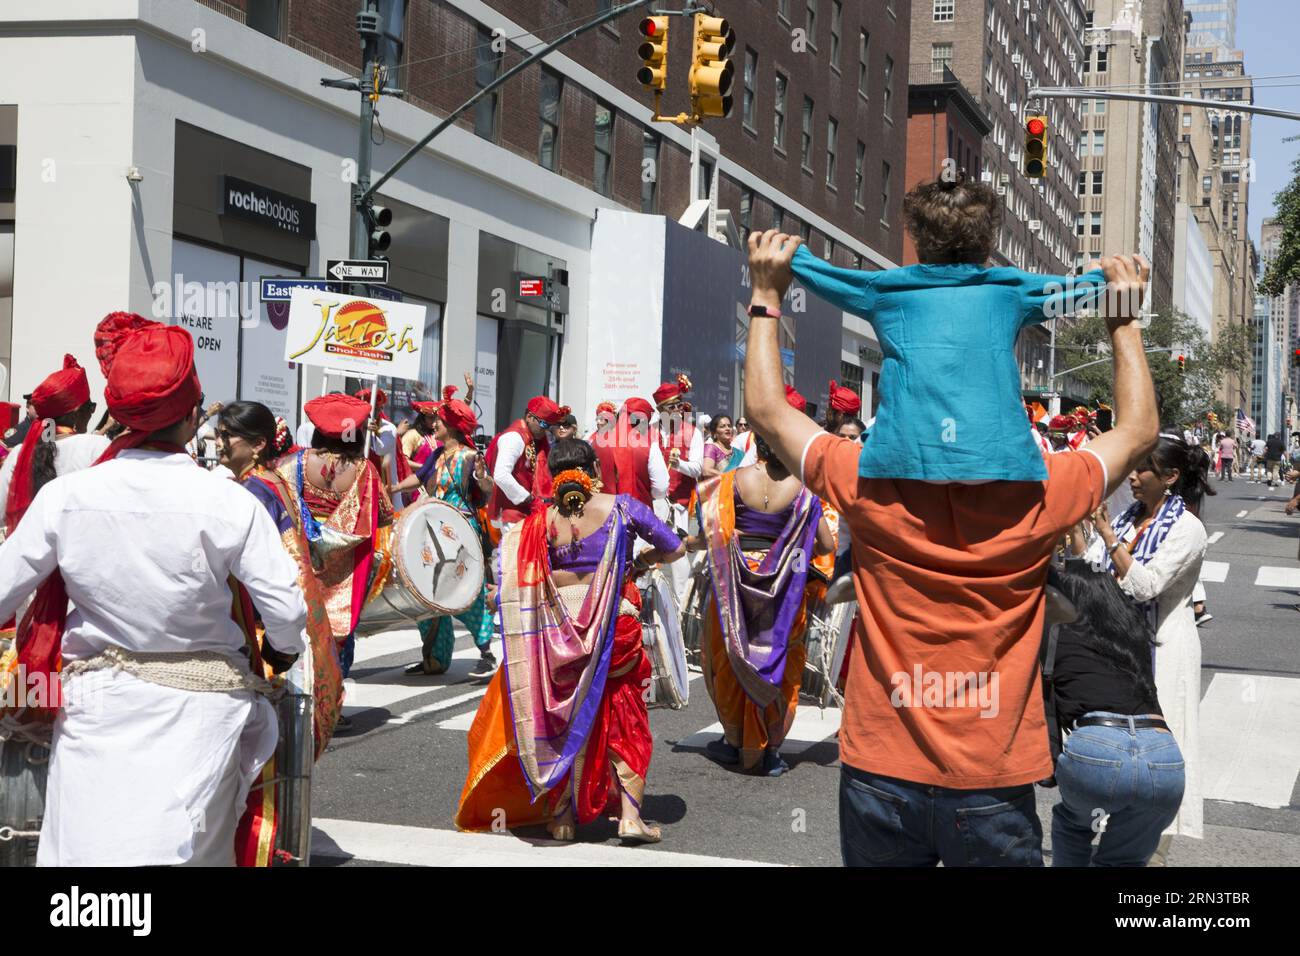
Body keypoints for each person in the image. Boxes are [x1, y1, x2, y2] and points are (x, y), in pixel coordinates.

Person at [743, 224, 1159, 867]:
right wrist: (1121, 321)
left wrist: (766, 295)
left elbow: (768, 411)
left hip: (880, 774)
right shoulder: (1043, 493)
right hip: (992, 780)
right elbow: (1136, 432)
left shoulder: (865, 482)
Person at [0, 323, 306, 866]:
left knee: (88, 858)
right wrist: (283, 651)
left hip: (97, 710)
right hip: (202, 716)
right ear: (191, 417)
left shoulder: (67, 497)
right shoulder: (228, 501)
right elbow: (285, 610)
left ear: (119, 413)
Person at [789, 172, 1107, 483]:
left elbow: (823, 276)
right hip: (993, 462)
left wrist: (791, 253)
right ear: (986, 242)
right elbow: (1080, 292)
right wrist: (1103, 277)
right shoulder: (1010, 290)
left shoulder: (885, 289)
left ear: (919, 240)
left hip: (904, 460)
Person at [455, 438, 684, 843]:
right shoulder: (622, 507)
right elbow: (674, 546)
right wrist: (639, 560)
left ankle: (561, 818)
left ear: (551, 474)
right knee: (624, 718)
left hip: (556, 634)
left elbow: (518, 578)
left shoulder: (540, 522)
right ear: (595, 468)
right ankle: (630, 817)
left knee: (559, 717)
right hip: (616, 629)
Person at [1083, 433, 1209, 863]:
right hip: (1118, 651)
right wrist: (1082, 532)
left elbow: (1144, 585)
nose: (1132, 477)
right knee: (1116, 749)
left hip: (1163, 652)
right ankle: (1117, 839)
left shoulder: (1188, 529)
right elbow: (1095, 569)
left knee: (1160, 755)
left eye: (1142, 469)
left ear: (1170, 477)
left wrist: (1106, 535)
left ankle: (1153, 851)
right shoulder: (1124, 518)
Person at [692, 418, 834, 776]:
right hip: (785, 590)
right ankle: (770, 748)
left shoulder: (731, 481)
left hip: (734, 584)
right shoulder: (805, 492)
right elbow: (827, 545)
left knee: (732, 655)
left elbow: (709, 525)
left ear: (757, 446)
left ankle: (736, 741)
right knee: (778, 660)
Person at [216, 400, 343, 756]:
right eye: (219, 433)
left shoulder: (251, 491)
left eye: (228, 435)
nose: (219, 442)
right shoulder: (275, 479)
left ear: (258, 445)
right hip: (300, 606)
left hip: (267, 621)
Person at [1042, 560, 1186, 866]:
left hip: (1098, 747)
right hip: (1163, 758)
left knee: (1074, 825)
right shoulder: (1132, 634)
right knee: (1123, 861)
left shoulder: (1057, 630)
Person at [274, 394, 394, 682]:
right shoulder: (365, 470)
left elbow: (279, 504)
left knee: (299, 625)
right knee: (338, 633)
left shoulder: (293, 463)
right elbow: (385, 515)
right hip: (345, 568)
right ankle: (331, 706)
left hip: (300, 559)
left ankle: (296, 696)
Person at [388, 396, 498, 679]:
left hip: (462, 530)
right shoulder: (437, 455)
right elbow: (421, 477)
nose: (434, 424)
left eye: (440, 421)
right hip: (435, 529)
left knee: (468, 591)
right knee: (429, 590)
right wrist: (395, 487)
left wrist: (484, 477)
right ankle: (435, 657)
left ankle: (486, 653)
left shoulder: (471, 457)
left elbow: (487, 491)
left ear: (452, 427)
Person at [1, 355, 109, 545]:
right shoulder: (96, 447)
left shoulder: (19, 453)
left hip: (28, 559)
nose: (92, 413)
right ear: (77, 413)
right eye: (90, 408)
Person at [651, 375, 705, 606]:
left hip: (679, 505)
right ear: (660, 409)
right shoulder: (649, 430)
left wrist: (678, 464)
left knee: (679, 558)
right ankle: (646, 604)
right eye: (670, 407)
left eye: (678, 405)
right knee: (647, 552)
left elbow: (698, 468)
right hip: (652, 502)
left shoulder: (693, 432)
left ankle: (683, 609)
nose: (676, 410)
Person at [485, 395, 566, 531]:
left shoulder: (535, 439)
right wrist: (528, 498)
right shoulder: (514, 437)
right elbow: (501, 475)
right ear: (529, 416)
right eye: (543, 424)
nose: (545, 430)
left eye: (549, 427)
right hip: (512, 514)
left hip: (527, 513)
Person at [588, 397, 669, 507]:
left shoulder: (595, 443)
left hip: (603, 515)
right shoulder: (649, 446)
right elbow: (661, 487)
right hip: (638, 514)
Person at [702, 413, 737, 478]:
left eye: (729, 426)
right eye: (722, 426)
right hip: (720, 487)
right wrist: (729, 477)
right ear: (714, 433)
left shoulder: (737, 452)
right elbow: (706, 471)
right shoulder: (711, 448)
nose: (727, 428)